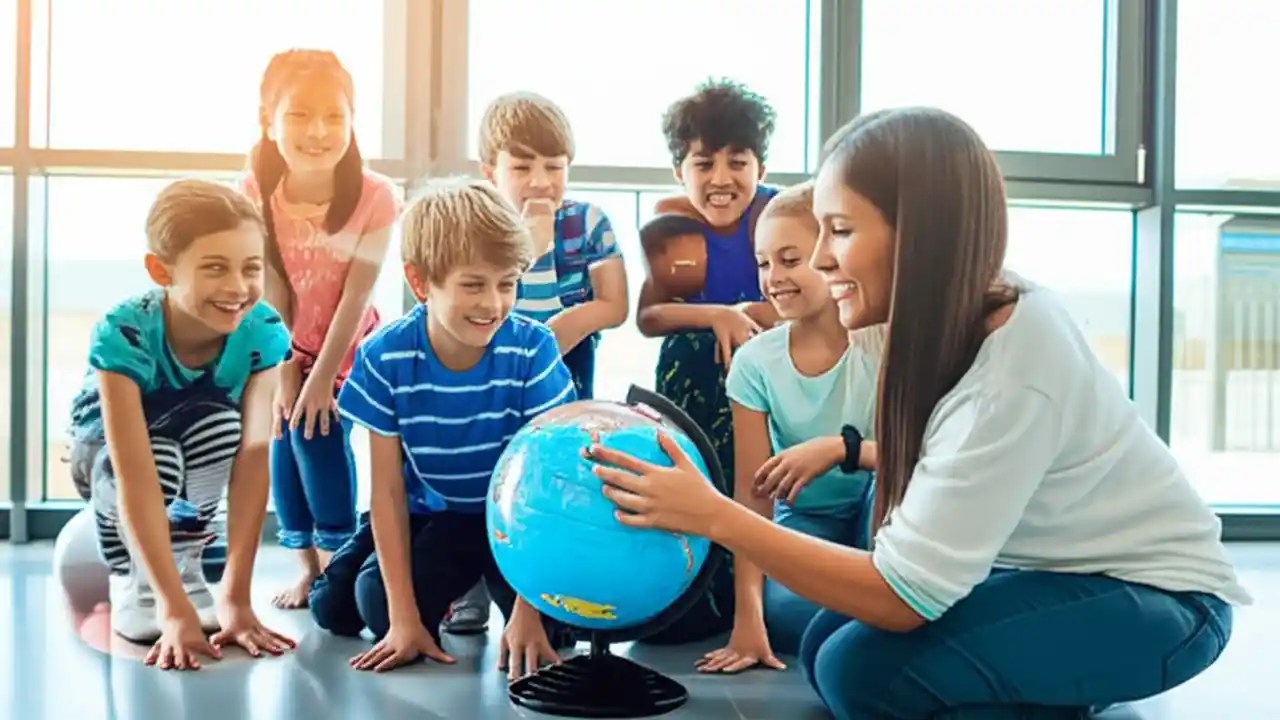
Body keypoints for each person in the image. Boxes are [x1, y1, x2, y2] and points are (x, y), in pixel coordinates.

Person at [587, 107, 1249, 719]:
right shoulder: (914, 321)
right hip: (1044, 571)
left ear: (921, 235)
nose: (820, 259)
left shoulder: (1014, 361)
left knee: (860, 673)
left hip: (1160, 601)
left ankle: (1076, 690)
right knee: (824, 641)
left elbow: (903, 597)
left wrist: (712, 515)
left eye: (839, 231)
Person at [307, 177, 576, 679]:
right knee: (348, 610)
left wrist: (527, 610)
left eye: (507, 283)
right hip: (429, 514)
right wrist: (405, 619)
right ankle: (447, 581)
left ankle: (483, 583)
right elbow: (386, 490)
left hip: (514, 518)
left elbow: (548, 480)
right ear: (420, 281)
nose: (493, 304)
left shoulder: (532, 350)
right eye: (473, 284)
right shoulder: (384, 356)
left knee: (557, 631)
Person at [66, 179, 296, 670]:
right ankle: (138, 579)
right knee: (160, 455)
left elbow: (255, 457)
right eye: (215, 268)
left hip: (195, 442)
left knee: (223, 428)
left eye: (250, 268)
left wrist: (235, 596)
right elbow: (132, 470)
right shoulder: (124, 329)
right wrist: (172, 609)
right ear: (160, 269)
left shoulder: (264, 330)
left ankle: (189, 567)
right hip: (109, 455)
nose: (237, 287)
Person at [440, 91, 630, 634]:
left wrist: (552, 335)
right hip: (488, 362)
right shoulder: (476, 224)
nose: (541, 180)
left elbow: (614, 305)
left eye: (555, 166)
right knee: (481, 467)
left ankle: (553, 579)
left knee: (554, 470)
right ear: (489, 171)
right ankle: (469, 580)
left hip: (565, 362)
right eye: (522, 167)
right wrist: (529, 246)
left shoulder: (589, 220)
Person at [699, 182, 881, 673]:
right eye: (763, 263)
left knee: (889, 488)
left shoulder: (881, 344)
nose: (773, 278)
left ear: (830, 256)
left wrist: (841, 449)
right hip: (805, 520)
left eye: (789, 259)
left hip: (879, 513)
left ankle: (891, 606)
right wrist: (748, 618)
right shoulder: (756, 363)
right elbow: (753, 498)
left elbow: (920, 459)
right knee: (786, 614)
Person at [242, 49, 402, 610]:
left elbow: (356, 296)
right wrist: (288, 371)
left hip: (351, 345)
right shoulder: (254, 193)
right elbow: (272, 290)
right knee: (282, 437)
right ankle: (306, 567)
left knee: (315, 431)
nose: (319, 132)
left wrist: (320, 378)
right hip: (284, 341)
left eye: (335, 117)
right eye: (299, 116)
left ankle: (340, 562)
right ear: (269, 119)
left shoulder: (377, 196)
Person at [633, 78, 781, 644]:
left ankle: (738, 587)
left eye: (737, 162)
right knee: (688, 350)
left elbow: (805, 303)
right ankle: (680, 568)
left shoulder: (778, 216)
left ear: (760, 166)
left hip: (768, 378)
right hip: (696, 378)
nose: (721, 179)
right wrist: (718, 313)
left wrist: (747, 313)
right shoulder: (673, 227)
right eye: (703, 164)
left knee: (745, 476)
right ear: (679, 172)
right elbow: (650, 319)